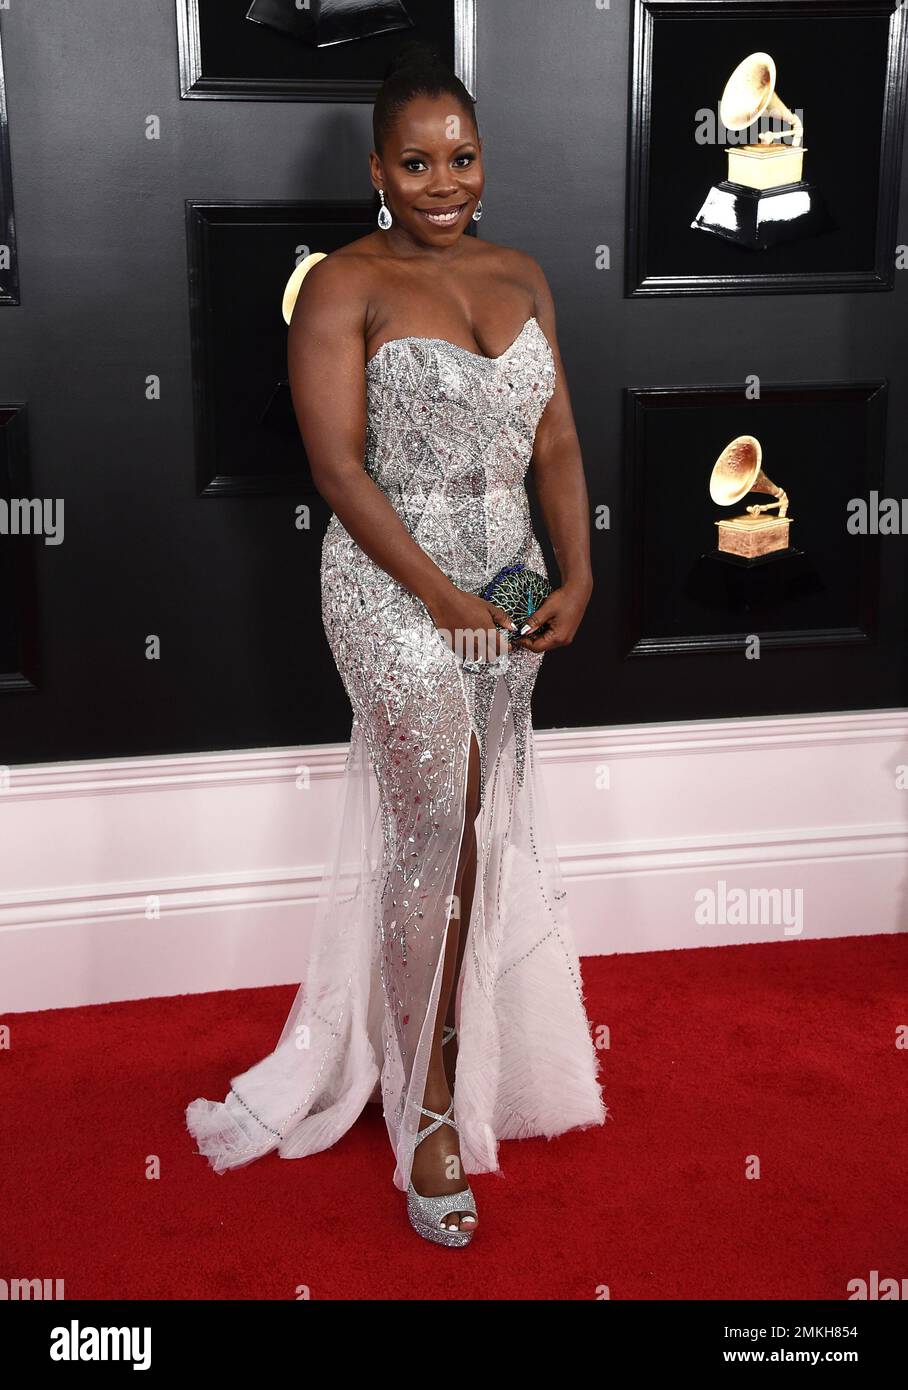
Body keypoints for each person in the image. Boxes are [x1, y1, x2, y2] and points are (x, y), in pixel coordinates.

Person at [186, 39, 607, 1248]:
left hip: (515, 583)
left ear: (483, 159)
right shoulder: (343, 285)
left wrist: (577, 570)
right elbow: (335, 470)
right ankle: (422, 1113)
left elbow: (560, 445)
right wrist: (435, 595)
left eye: (461, 157)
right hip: (390, 584)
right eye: (415, 161)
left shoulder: (522, 272)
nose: (442, 181)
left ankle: (455, 1053)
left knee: (475, 831)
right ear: (377, 168)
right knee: (434, 824)